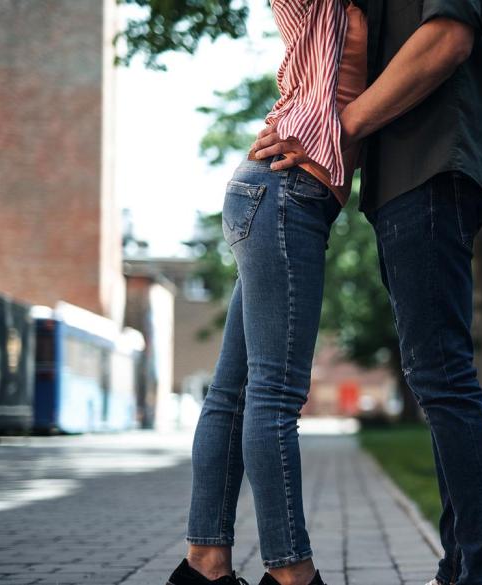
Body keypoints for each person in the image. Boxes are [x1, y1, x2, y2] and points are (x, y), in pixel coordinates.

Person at [164, 1, 368, 584]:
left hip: (276, 196)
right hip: (285, 196)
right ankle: (291, 574)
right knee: (274, 396)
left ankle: (205, 566)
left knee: (232, 393)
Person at [336, 0, 482, 582]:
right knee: (437, 379)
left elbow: (447, 37)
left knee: (443, 377)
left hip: (430, 164)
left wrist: (340, 124)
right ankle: (461, 567)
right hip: (409, 172)